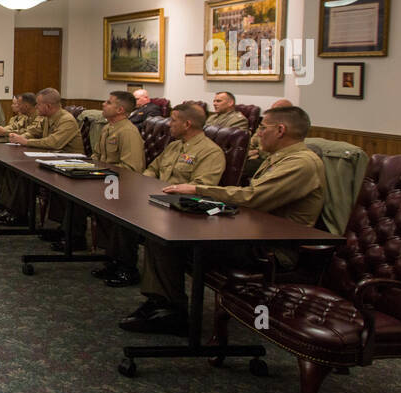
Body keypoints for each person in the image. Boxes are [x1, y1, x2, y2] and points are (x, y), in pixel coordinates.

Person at [121, 107, 324, 336]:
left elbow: (253, 198)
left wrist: (197, 189)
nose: (257, 134)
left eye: (262, 128)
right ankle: (162, 303)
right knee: (162, 234)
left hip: (272, 249)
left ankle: (171, 311)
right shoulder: (281, 159)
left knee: (168, 239)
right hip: (251, 234)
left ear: (280, 130)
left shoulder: (301, 163)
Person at [94, 103, 225, 288]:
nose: (169, 124)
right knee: (117, 208)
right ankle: (118, 262)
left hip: (181, 207)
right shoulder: (174, 146)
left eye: (173, 120)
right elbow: (152, 169)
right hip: (157, 198)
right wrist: (142, 186)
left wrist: (155, 192)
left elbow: (201, 187)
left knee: (130, 215)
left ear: (187, 124)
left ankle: (130, 271)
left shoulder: (210, 152)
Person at [0, 88, 84, 236]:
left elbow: (54, 142)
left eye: (38, 105)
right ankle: (15, 213)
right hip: (51, 160)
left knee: (26, 175)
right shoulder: (47, 118)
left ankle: (22, 216)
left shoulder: (66, 120)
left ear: (48, 106)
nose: (36, 108)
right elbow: (34, 132)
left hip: (69, 162)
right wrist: (20, 137)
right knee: (18, 171)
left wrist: (26, 141)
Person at [0, 93, 43, 223]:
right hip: (34, 152)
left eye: (39, 105)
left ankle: (16, 212)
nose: (16, 106)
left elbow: (51, 140)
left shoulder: (45, 118)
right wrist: (15, 135)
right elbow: (26, 131)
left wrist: (22, 139)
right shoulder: (29, 117)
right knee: (7, 167)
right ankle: (8, 208)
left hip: (47, 156)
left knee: (18, 172)